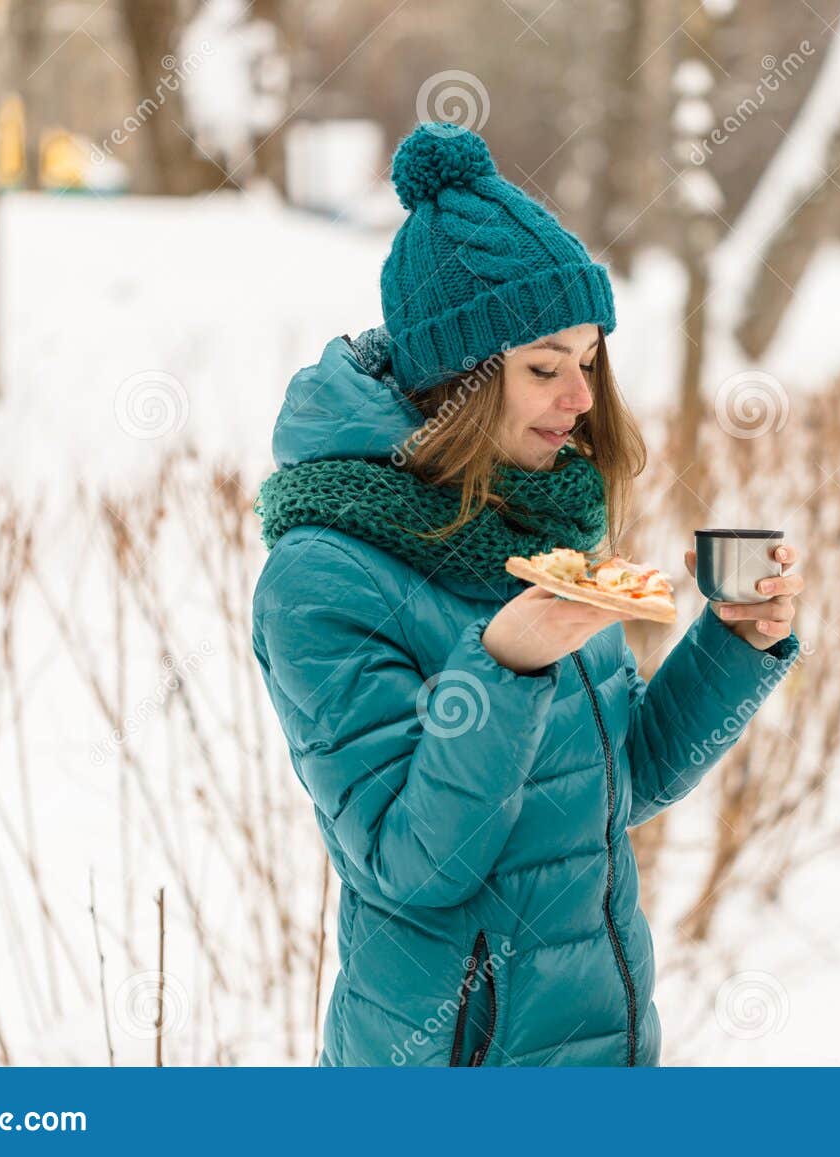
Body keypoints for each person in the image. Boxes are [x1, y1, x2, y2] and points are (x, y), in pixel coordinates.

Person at [251, 123, 804, 1066]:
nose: (580, 398)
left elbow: (616, 781)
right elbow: (410, 862)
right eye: (545, 367)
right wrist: (506, 667)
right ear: (454, 383)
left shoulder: (538, 524)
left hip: (599, 1042)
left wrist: (734, 646)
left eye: (586, 362)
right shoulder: (324, 578)